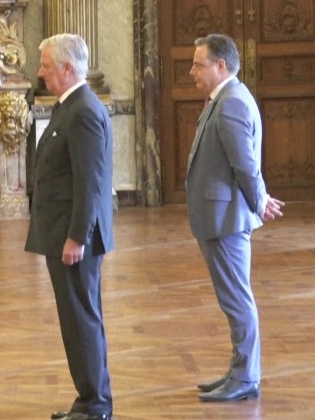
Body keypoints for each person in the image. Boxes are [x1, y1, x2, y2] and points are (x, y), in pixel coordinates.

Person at [186, 33, 284, 403]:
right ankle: (240, 370)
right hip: (219, 215)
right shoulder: (224, 99)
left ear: (220, 66)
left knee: (237, 300)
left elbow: (245, 163)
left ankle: (245, 376)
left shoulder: (230, 103)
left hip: (225, 219)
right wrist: (258, 198)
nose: (192, 71)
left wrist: (259, 201)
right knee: (234, 299)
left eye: (199, 64)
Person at [24, 33, 114, 420]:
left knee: (81, 321)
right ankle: (88, 400)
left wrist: (77, 236)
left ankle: (95, 406)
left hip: (73, 238)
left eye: (45, 65)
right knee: (76, 321)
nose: (40, 73)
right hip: (62, 233)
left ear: (65, 67)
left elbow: (90, 183)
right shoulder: (69, 106)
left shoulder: (84, 111)